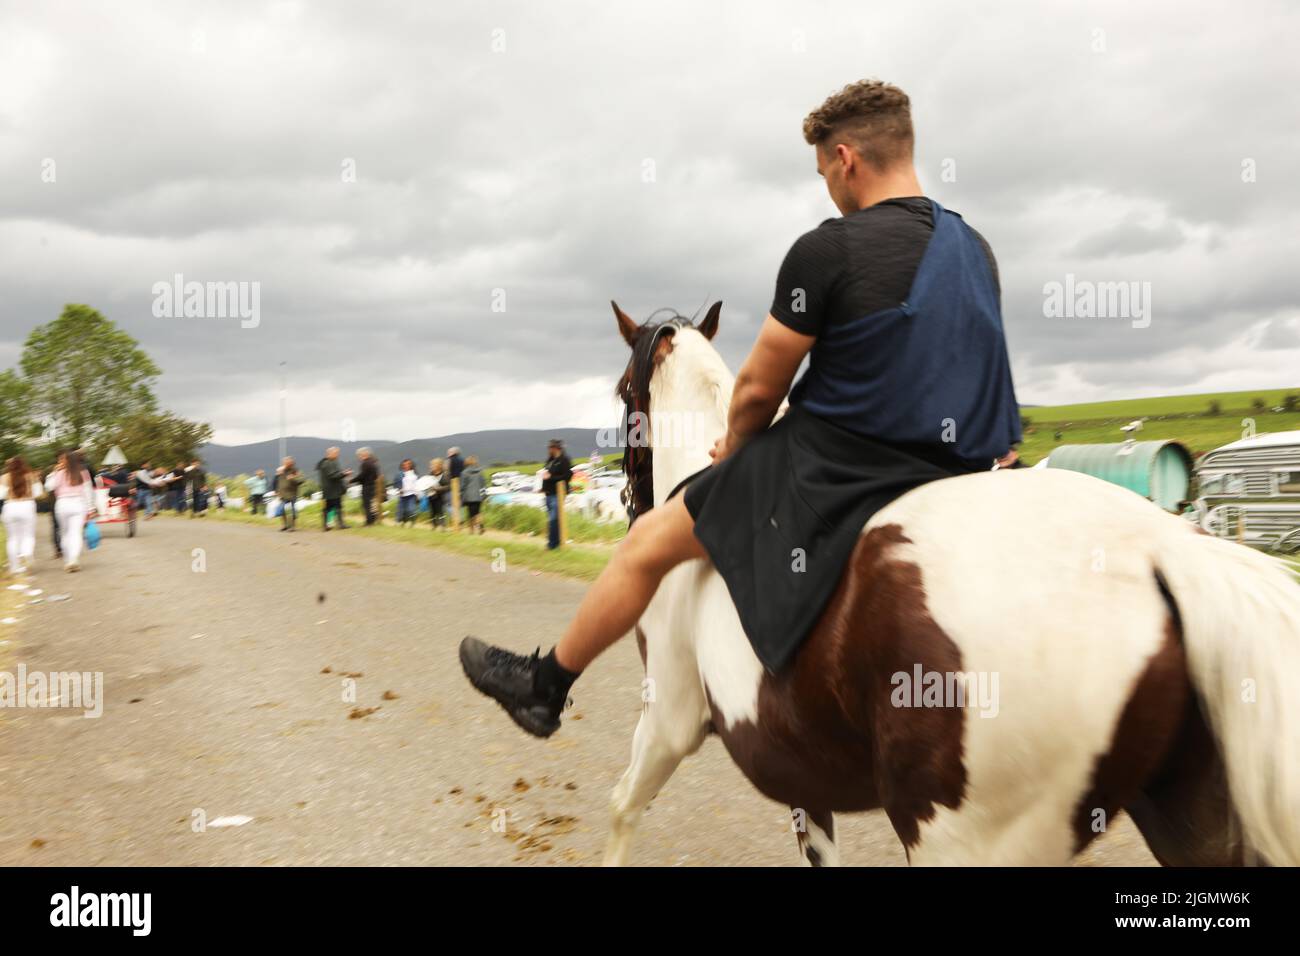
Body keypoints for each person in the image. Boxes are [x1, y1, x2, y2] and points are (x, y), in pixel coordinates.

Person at [460, 79, 1022, 738]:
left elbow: (757, 389)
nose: (829, 191)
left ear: (845, 159)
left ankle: (544, 685)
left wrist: (735, 439)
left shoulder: (827, 249)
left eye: (823, 173)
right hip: (959, 474)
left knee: (645, 543)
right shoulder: (976, 250)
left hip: (843, 472)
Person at [45, 449, 96, 572]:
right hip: (79, 504)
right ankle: (73, 560)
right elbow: (88, 491)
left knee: (65, 533)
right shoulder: (82, 472)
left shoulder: (58, 473)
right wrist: (91, 508)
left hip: (62, 504)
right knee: (76, 533)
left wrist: (54, 471)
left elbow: (49, 487)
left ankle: (68, 560)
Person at [1, 456, 44, 576]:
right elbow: (39, 493)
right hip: (27, 506)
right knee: (28, 535)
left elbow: (1, 494)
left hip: (10, 506)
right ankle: (26, 553)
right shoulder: (31, 476)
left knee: (12, 538)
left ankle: (14, 567)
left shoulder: (5, 477)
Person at [540, 439, 573, 550]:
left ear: (556, 448)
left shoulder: (564, 460)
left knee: (553, 519)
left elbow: (567, 476)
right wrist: (543, 488)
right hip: (548, 494)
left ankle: (552, 545)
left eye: (550, 447)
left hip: (557, 494)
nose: (548, 449)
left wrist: (551, 478)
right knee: (552, 519)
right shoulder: (550, 460)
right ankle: (556, 543)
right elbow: (546, 474)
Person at [316, 447, 350, 530]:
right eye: (336, 453)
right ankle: (338, 524)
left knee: (331, 507)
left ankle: (330, 525)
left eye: (337, 453)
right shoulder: (327, 463)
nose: (337, 455)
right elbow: (332, 476)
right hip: (331, 490)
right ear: (329, 454)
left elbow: (335, 474)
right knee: (333, 507)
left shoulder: (331, 462)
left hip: (332, 489)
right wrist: (344, 474)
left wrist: (342, 473)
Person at [352, 448, 381, 526]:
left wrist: (352, 480)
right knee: (372, 504)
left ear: (364, 455)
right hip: (372, 485)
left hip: (366, 486)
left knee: (366, 505)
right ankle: (373, 520)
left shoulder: (365, 463)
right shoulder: (373, 463)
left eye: (359, 455)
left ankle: (369, 522)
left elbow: (362, 475)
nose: (358, 457)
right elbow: (376, 475)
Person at [275, 457, 304, 531]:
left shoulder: (296, 471)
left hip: (292, 494)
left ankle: (292, 527)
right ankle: (285, 525)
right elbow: (278, 482)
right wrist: (277, 491)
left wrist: (293, 478)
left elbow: (301, 480)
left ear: (292, 463)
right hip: (283, 494)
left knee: (293, 510)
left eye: (287, 463)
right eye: (284, 463)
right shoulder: (281, 471)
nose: (285, 464)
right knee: (281, 510)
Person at [460, 455, 486, 534]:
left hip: (469, 496)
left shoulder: (464, 473)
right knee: (478, 512)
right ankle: (481, 526)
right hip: (479, 496)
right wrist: (484, 495)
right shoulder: (480, 472)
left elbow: (462, 486)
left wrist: (459, 494)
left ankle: (471, 531)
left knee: (470, 514)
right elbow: (483, 484)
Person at [394, 458, 421, 526]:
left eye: (408, 464)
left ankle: (412, 522)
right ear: (402, 465)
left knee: (411, 509)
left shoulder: (414, 475)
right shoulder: (399, 474)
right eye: (405, 464)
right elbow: (396, 483)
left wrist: (417, 495)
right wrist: (399, 489)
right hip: (402, 495)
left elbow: (416, 486)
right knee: (401, 510)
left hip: (411, 494)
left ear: (411, 465)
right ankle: (402, 522)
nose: (406, 465)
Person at [426, 458, 449, 529]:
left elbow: (448, 486)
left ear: (439, 465)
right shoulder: (430, 474)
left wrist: (439, 489)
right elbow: (426, 483)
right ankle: (434, 525)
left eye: (433, 465)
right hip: (431, 496)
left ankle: (443, 526)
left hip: (440, 496)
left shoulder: (445, 474)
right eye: (431, 465)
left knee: (440, 511)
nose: (431, 467)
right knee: (432, 511)